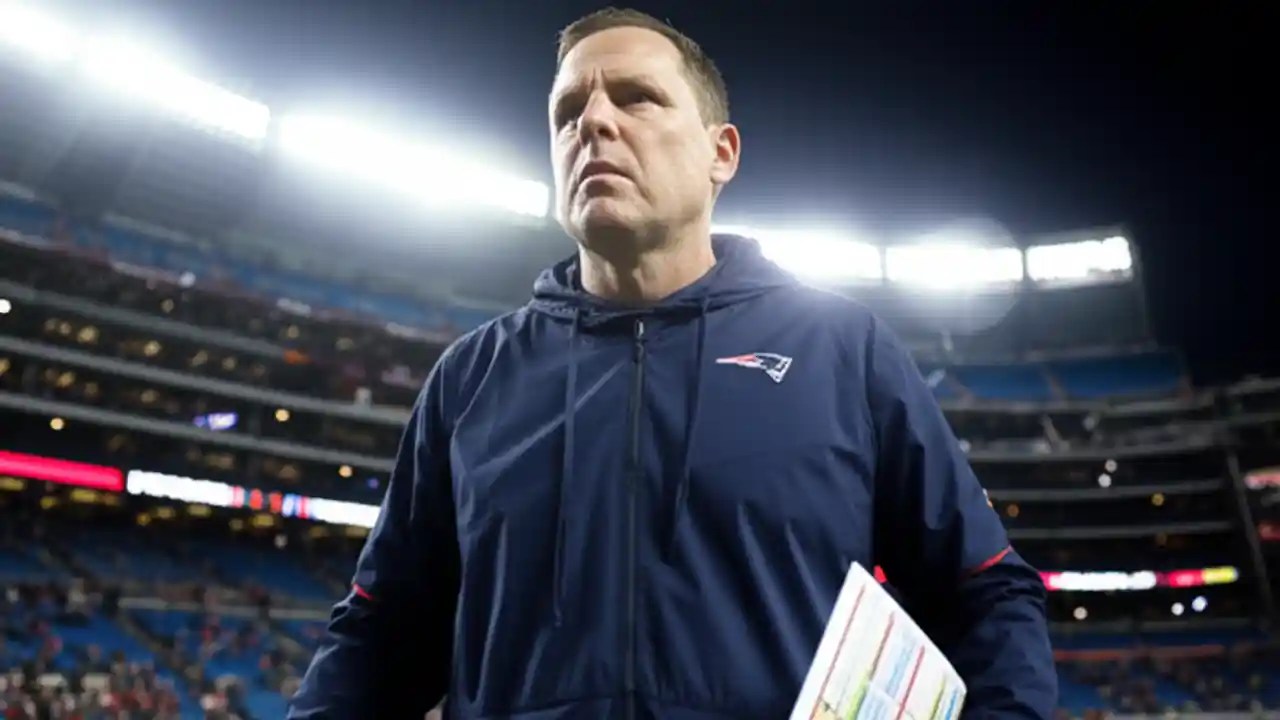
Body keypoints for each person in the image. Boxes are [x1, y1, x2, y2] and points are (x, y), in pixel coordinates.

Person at [288, 7, 1056, 719]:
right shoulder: (472, 378)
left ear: (721, 154)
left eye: (636, 98)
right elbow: (381, 637)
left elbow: (986, 591)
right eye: (567, 112)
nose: (592, 122)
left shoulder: (841, 352)